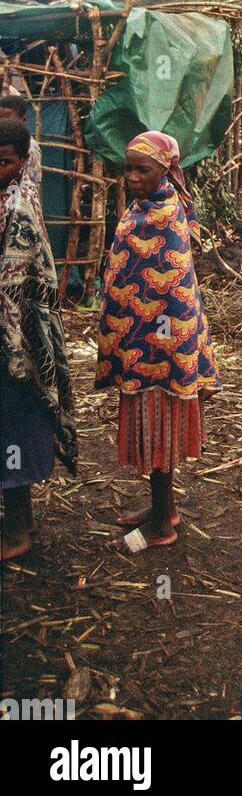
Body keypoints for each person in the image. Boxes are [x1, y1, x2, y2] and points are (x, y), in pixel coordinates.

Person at [95, 132, 221, 549]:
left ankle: (160, 528)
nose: (131, 176)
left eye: (141, 169)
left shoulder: (162, 215)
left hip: (160, 351)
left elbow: (167, 290)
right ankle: (163, 509)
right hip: (145, 341)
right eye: (127, 167)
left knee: (158, 428)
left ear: (164, 170)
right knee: (155, 427)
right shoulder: (148, 204)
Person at [0, 119, 76, 561]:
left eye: (5, 161)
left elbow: (17, 282)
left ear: (24, 160)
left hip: (19, 345)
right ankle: (19, 520)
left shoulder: (20, 208)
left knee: (12, 429)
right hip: (11, 342)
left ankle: (17, 531)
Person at [0, 94, 41, 187]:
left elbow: (31, 182)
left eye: (6, 119)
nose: (2, 122)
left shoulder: (30, 148)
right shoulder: (5, 142)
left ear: (23, 119)